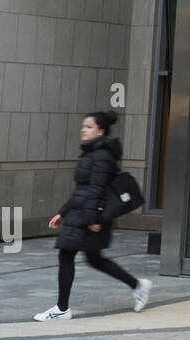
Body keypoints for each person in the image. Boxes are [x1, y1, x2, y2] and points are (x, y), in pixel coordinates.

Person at [34, 110, 152, 320]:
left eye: (89, 127)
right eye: (83, 126)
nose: (83, 130)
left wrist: (94, 220)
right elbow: (81, 189)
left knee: (68, 253)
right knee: (94, 259)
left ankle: (62, 309)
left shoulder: (101, 156)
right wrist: (63, 212)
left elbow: (97, 190)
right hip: (82, 214)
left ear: (101, 131)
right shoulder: (91, 153)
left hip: (90, 217)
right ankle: (137, 285)